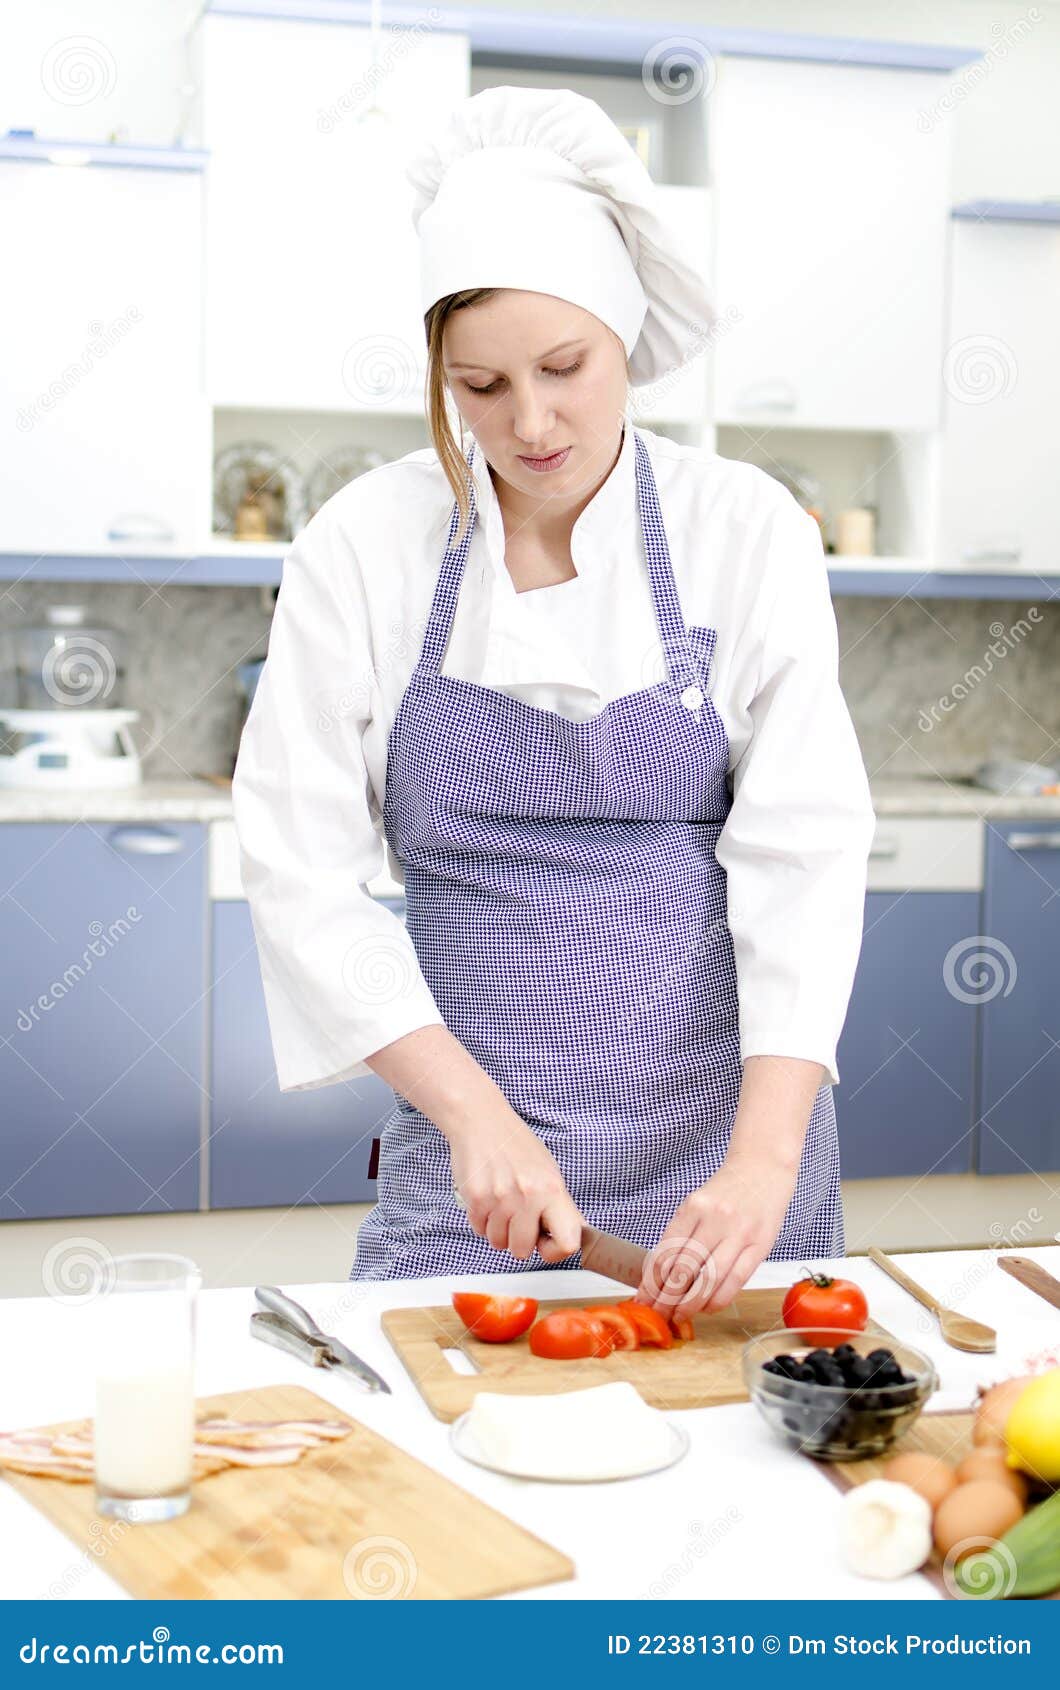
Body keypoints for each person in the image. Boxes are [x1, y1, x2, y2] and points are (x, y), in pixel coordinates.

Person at [232, 86, 876, 1320]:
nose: (528, 424)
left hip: (729, 1153)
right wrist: (471, 1117)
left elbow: (804, 850)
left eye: (564, 368)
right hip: (476, 1153)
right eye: (477, 387)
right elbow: (298, 867)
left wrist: (763, 1161)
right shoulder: (363, 544)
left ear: (624, 336)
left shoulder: (741, 530)